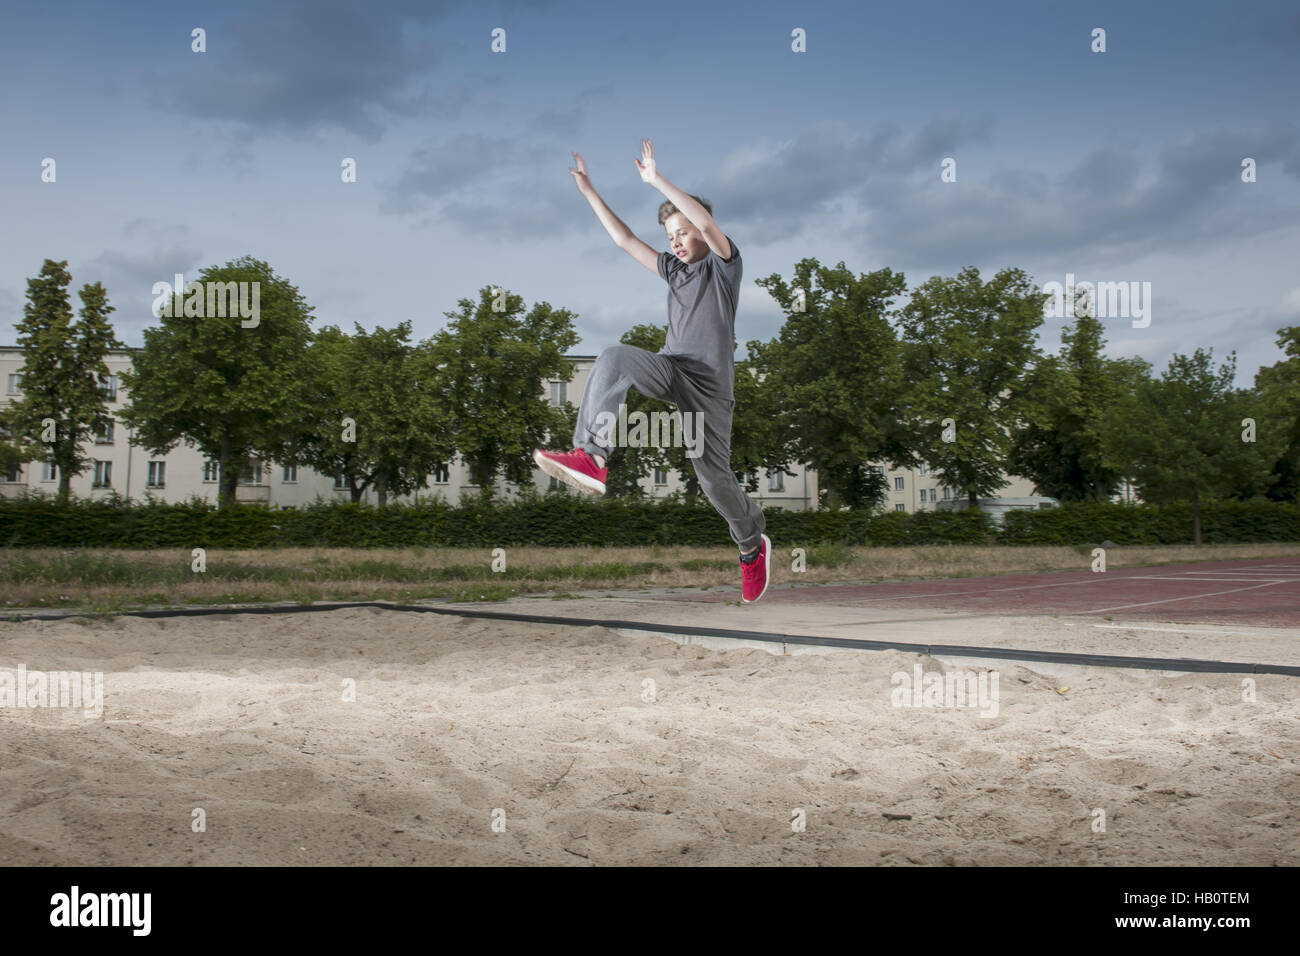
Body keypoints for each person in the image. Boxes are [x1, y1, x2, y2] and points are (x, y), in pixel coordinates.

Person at [534, 139, 770, 603]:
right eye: (669, 237)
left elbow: (703, 220)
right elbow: (623, 240)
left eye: (682, 233)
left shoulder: (725, 268)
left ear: (703, 233)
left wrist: (656, 181)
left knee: (712, 478)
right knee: (614, 356)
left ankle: (751, 545)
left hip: (711, 389)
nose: (676, 242)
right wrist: (589, 193)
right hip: (672, 370)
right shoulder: (672, 271)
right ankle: (591, 457)